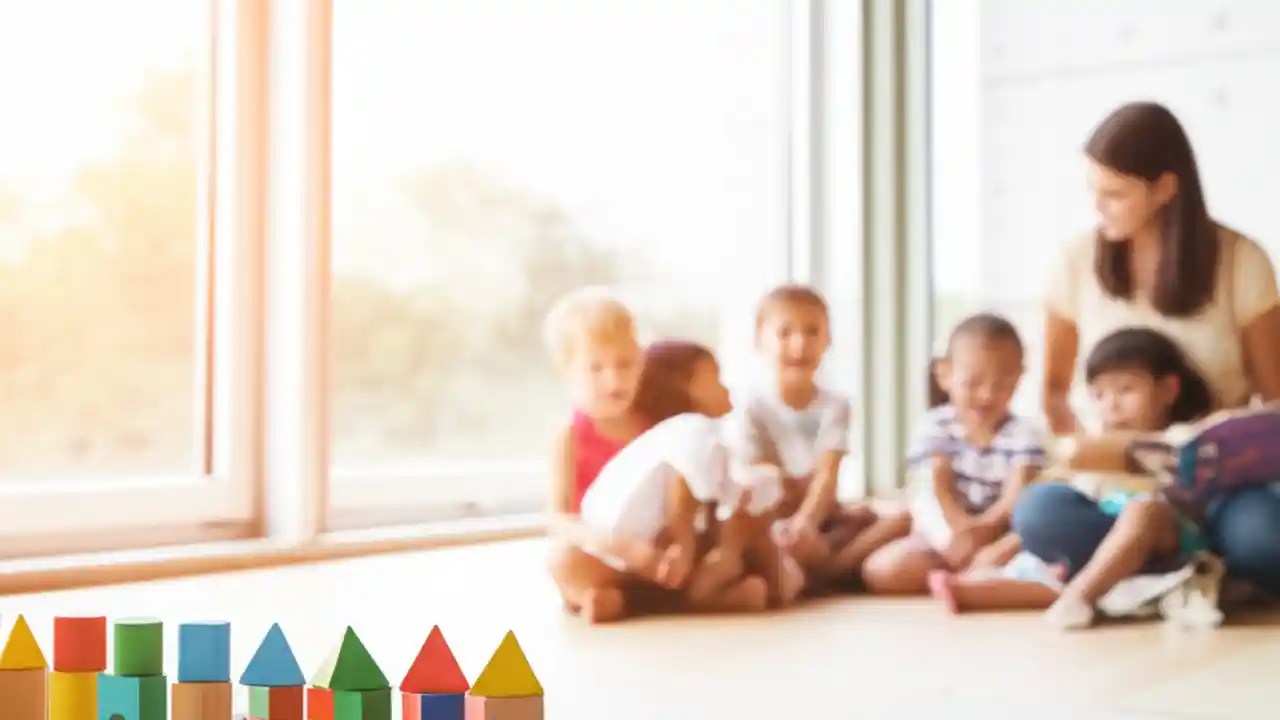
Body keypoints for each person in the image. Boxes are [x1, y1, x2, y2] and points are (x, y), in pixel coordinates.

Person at [1021, 101, 1280, 597]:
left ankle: (1153, 566)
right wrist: (1092, 450)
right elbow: (1053, 392)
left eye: (1114, 194)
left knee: (1266, 537)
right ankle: (1187, 566)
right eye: (1093, 191)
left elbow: (1274, 404)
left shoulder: (1242, 262)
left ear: (1164, 187)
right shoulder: (1074, 261)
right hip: (1115, 489)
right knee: (1038, 514)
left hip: (1217, 490)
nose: (1097, 207)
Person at [930, 328, 1215, 624]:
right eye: (1100, 395)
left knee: (1143, 511)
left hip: (1169, 538)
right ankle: (976, 590)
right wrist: (1003, 548)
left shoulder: (1181, 439)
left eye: (1126, 390)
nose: (1111, 405)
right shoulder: (1091, 448)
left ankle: (1078, 597)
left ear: (1168, 389)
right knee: (1043, 553)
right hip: (1102, 543)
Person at [737, 285, 910, 591]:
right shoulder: (752, 407)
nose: (800, 343)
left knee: (901, 519)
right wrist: (794, 524)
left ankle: (826, 571)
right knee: (764, 541)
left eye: (812, 331)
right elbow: (765, 480)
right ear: (758, 341)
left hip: (820, 518)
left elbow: (827, 475)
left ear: (827, 340)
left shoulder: (835, 405)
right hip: (775, 521)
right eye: (785, 333)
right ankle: (828, 571)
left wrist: (807, 522)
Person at [861, 314, 1045, 594]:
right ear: (944, 375)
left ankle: (972, 578)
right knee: (881, 571)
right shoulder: (935, 425)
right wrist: (959, 531)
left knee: (1026, 547)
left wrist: (983, 529)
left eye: (1002, 385)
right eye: (973, 383)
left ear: (1019, 378)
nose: (987, 395)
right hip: (944, 533)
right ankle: (971, 577)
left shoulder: (1024, 433)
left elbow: (1015, 497)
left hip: (999, 534)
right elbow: (938, 486)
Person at [542, 287, 654, 621]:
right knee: (562, 562)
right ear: (567, 372)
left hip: (649, 550)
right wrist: (605, 542)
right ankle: (609, 596)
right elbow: (556, 518)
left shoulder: (648, 427)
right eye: (596, 367)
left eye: (625, 364)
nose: (613, 378)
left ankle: (638, 596)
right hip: (601, 551)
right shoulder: (569, 434)